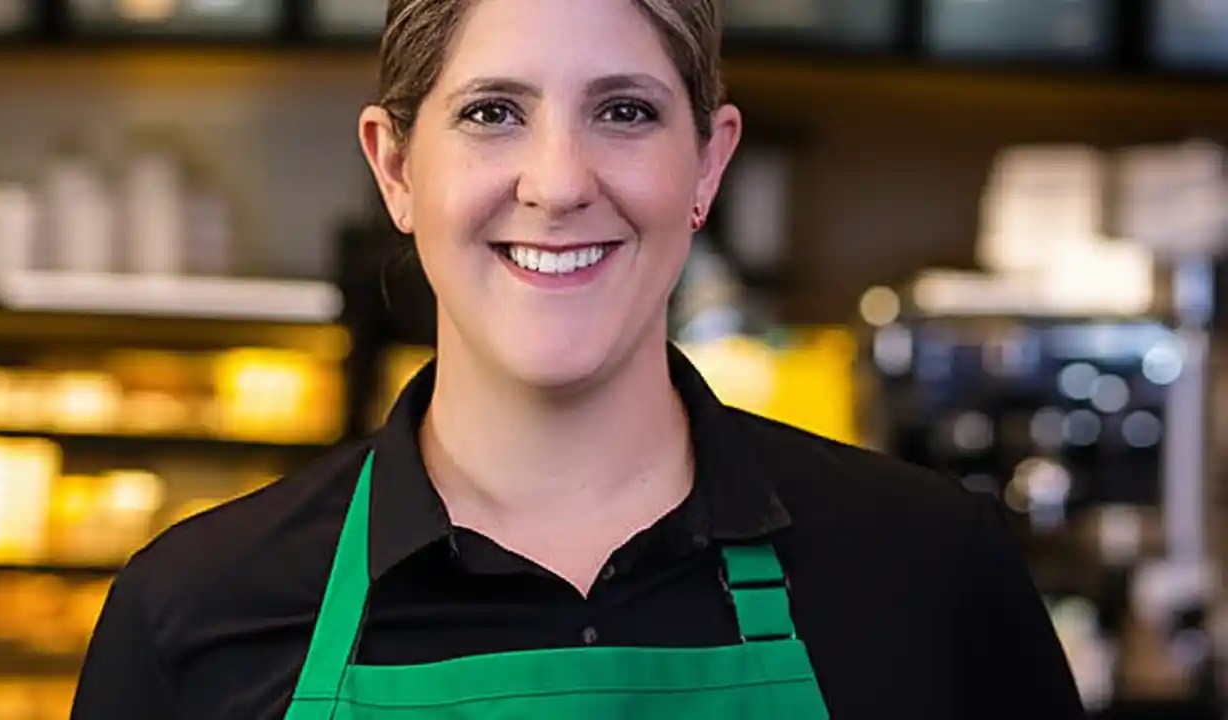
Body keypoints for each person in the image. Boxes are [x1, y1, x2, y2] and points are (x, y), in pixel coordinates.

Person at [71, 0, 1086, 717]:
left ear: (708, 163)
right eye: (492, 113)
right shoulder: (193, 610)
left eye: (624, 110)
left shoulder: (932, 572)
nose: (557, 184)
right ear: (396, 167)